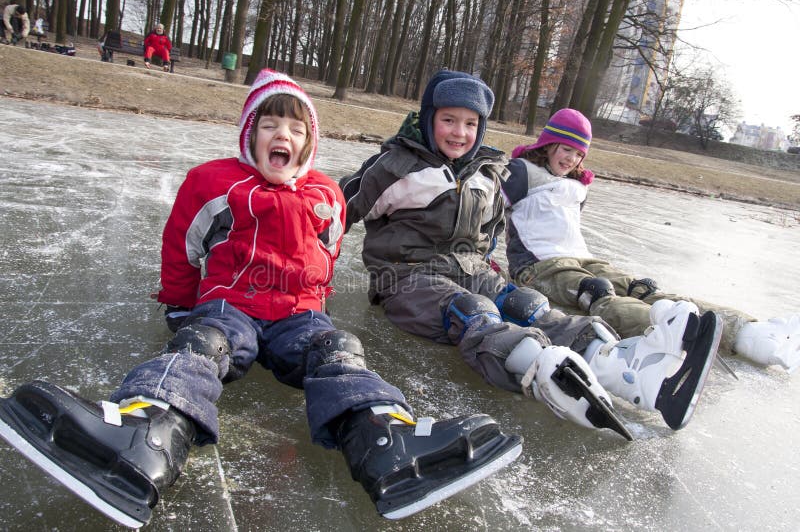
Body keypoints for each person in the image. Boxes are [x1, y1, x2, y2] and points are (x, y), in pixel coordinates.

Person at [0, 70, 522, 528]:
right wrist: (181, 302)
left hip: (298, 313)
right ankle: (150, 432)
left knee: (338, 347)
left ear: (309, 142)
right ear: (249, 134)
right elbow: (183, 243)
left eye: (297, 128)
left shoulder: (325, 193)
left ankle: (382, 440)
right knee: (202, 343)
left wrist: (317, 302)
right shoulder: (216, 182)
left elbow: (329, 248)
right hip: (231, 304)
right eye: (270, 125)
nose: (283, 135)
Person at [341, 70, 722, 442]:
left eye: (471, 123)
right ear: (428, 119)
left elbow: (490, 230)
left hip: (469, 268)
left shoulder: (486, 171)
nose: (460, 132)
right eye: (449, 120)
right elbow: (338, 207)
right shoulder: (396, 166)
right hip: (408, 277)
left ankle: (618, 366)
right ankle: (534, 366)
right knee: (473, 311)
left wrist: (488, 265)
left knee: (528, 305)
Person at [502, 108, 800, 373]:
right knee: (597, 294)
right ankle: (678, 333)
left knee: (639, 289)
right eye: (567, 149)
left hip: (583, 258)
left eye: (579, 154)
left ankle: (749, 333)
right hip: (539, 265)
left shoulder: (576, 185)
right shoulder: (521, 172)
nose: (572, 159)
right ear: (549, 143)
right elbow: (488, 211)